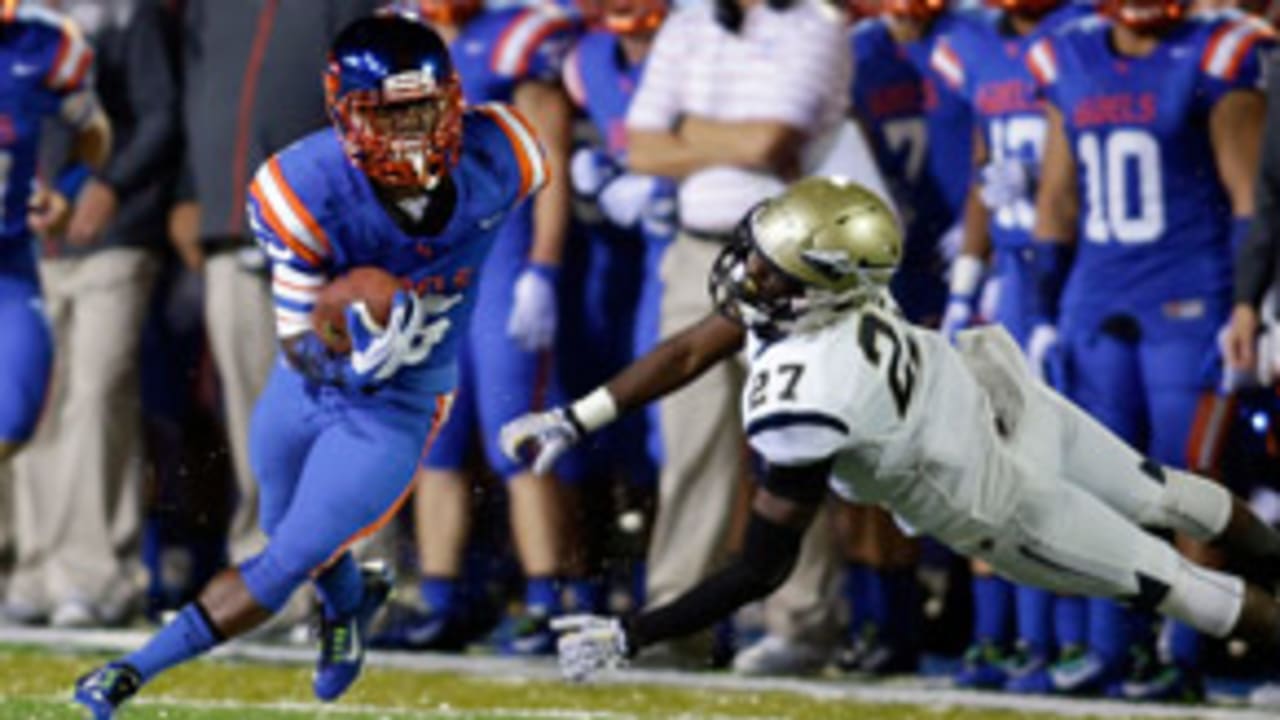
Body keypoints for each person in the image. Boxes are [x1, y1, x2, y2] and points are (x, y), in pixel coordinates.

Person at [498, 176, 1280, 687]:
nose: (750, 274)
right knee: (1168, 494)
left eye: (774, 270)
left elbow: (759, 572)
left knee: (1174, 581)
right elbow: (691, 348)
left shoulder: (805, 398)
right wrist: (579, 416)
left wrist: (634, 633)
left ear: (824, 289)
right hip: (1001, 400)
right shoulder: (834, 294)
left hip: (1003, 498)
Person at [72, 15, 548, 718]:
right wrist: (353, 335)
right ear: (346, 116)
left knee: (291, 554)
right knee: (284, 520)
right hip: (312, 381)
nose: (413, 133)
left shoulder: (507, 152)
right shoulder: (301, 187)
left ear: (453, 100)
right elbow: (299, 343)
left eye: (423, 109)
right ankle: (351, 607)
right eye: (389, 115)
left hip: (401, 402)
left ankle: (129, 672)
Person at [1026, 0, 1271, 699]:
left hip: (1191, 297)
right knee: (1097, 483)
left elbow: (1250, 195)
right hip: (1095, 297)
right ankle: (1112, 646)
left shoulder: (1215, 51)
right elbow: (1057, 197)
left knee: (1189, 486)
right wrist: (1043, 312)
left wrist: (1249, 305)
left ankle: (1184, 652)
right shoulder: (1068, 53)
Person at [624, 0, 853, 672]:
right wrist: (714, 137)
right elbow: (638, 144)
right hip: (698, 252)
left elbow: (769, 143)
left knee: (795, 440)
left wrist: (687, 129)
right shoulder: (690, 19)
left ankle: (803, 622)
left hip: (790, 259)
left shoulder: (817, 22)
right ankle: (676, 619)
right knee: (692, 445)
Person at [372, 0, 578, 654]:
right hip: (426, 264)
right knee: (433, 436)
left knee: (517, 432)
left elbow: (550, 160)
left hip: (502, 257)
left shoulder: (518, 35)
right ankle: (439, 598)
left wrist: (542, 266)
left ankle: (548, 600)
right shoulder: (395, 36)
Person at [177, 0, 383, 565]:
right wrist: (190, 193)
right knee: (255, 421)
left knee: (340, 411)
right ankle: (269, 570)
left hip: (326, 242)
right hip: (230, 232)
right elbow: (195, 99)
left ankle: (356, 571)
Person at [930, 0, 1094, 693]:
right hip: (1010, 281)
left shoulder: (1088, 35)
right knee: (991, 465)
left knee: (1074, 470)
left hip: (1084, 273)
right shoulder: (971, 42)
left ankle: (1078, 639)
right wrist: (965, 286)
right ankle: (1008, 638)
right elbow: (981, 174)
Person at [5, 0, 180, 631]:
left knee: (97, 396)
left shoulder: (122, 16)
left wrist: (103, 185)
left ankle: (98, 573)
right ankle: (37, 570)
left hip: (114, 235)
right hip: (30, 246)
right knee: (34, 406)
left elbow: (160, 117)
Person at [840, 0, 976, 676]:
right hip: (872, 262)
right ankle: (883, 618)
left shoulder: (977, 37)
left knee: (959, 449)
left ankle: (963, 611)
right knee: (866, 448)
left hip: (959, 265)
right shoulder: (851, 49)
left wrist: (981, 226)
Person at [0, 0, 111, 615]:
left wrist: (66, 190)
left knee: (14, 419)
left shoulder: (47, 43)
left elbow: (94, 130)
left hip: (10, 264)